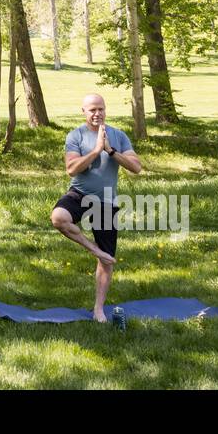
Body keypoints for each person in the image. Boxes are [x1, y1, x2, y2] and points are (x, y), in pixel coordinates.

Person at [50, 93, 144, 322]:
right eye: (92, 109)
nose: (97, 113)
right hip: (80, 194)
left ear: (105, 110)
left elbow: (136, 167)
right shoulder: (76, 136)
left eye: (100, 109)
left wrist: (111, 151)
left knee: (107, 260)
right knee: (58, 217)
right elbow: (71, 169)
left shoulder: (118, 136)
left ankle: (98, 310)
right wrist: (95, 150)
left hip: (106, 201)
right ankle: (94, 249)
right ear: (83, 111)